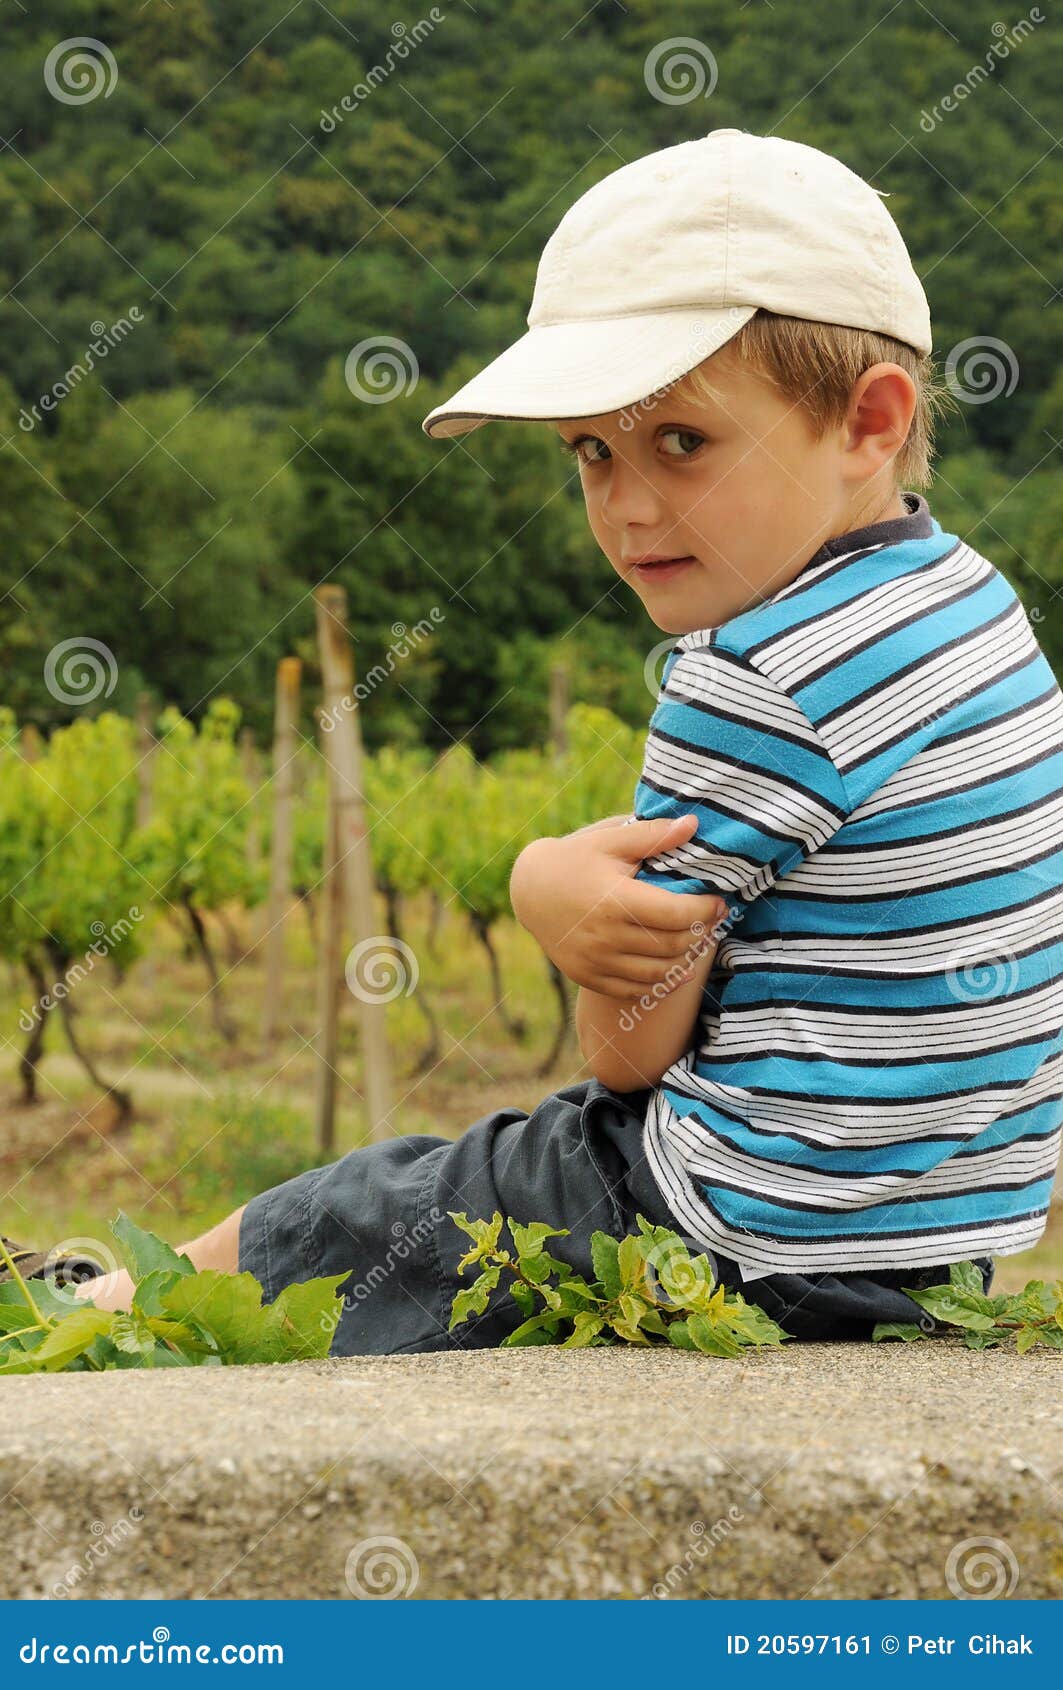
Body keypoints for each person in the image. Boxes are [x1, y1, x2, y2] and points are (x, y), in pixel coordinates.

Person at [19, 128, 1060, 1347]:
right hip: (941, 1237)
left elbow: (629, 1053)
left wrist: (550, 895)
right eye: (589, 451)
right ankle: (81, 1294)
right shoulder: (973, 605)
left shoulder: (753, 674)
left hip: (739, 1232)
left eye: (680, 442)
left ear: (866, 423)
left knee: (372, 1207)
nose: (625, 504)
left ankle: (78, 1320)